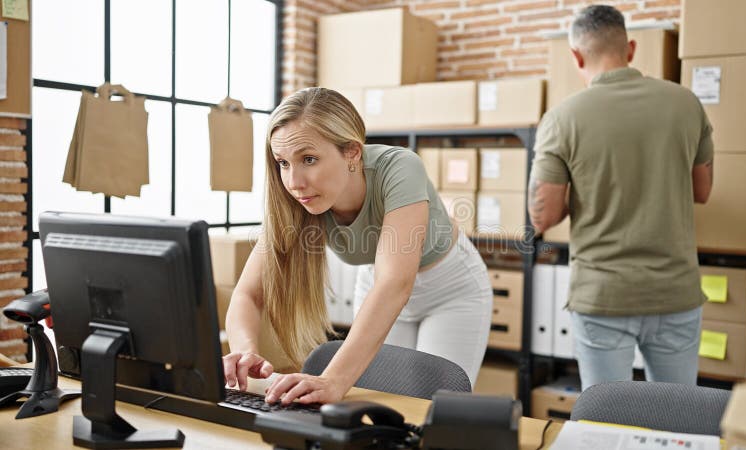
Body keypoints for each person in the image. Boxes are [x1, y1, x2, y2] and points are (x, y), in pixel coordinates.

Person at [223, 87, 493, 405]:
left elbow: (396, 283)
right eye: (283, 163)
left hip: (450, 289)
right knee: (381, 403)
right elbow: (248, 294)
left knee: (438, 408)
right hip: (378, 284)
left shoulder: (400, 168)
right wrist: (244, 351)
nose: (294, 181)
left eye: (308, 159)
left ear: (352, 152)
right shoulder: (297, 199)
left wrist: (332, 380)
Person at [529, 5, 714, 390]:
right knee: (677, 421)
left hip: (602, 296)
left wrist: (583, 192)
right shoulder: (686, 103)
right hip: (675, 291)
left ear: (576, 56)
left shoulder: (562, 118)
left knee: (605, 420)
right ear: (630, 48)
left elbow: (542, 217)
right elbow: (702, 190)